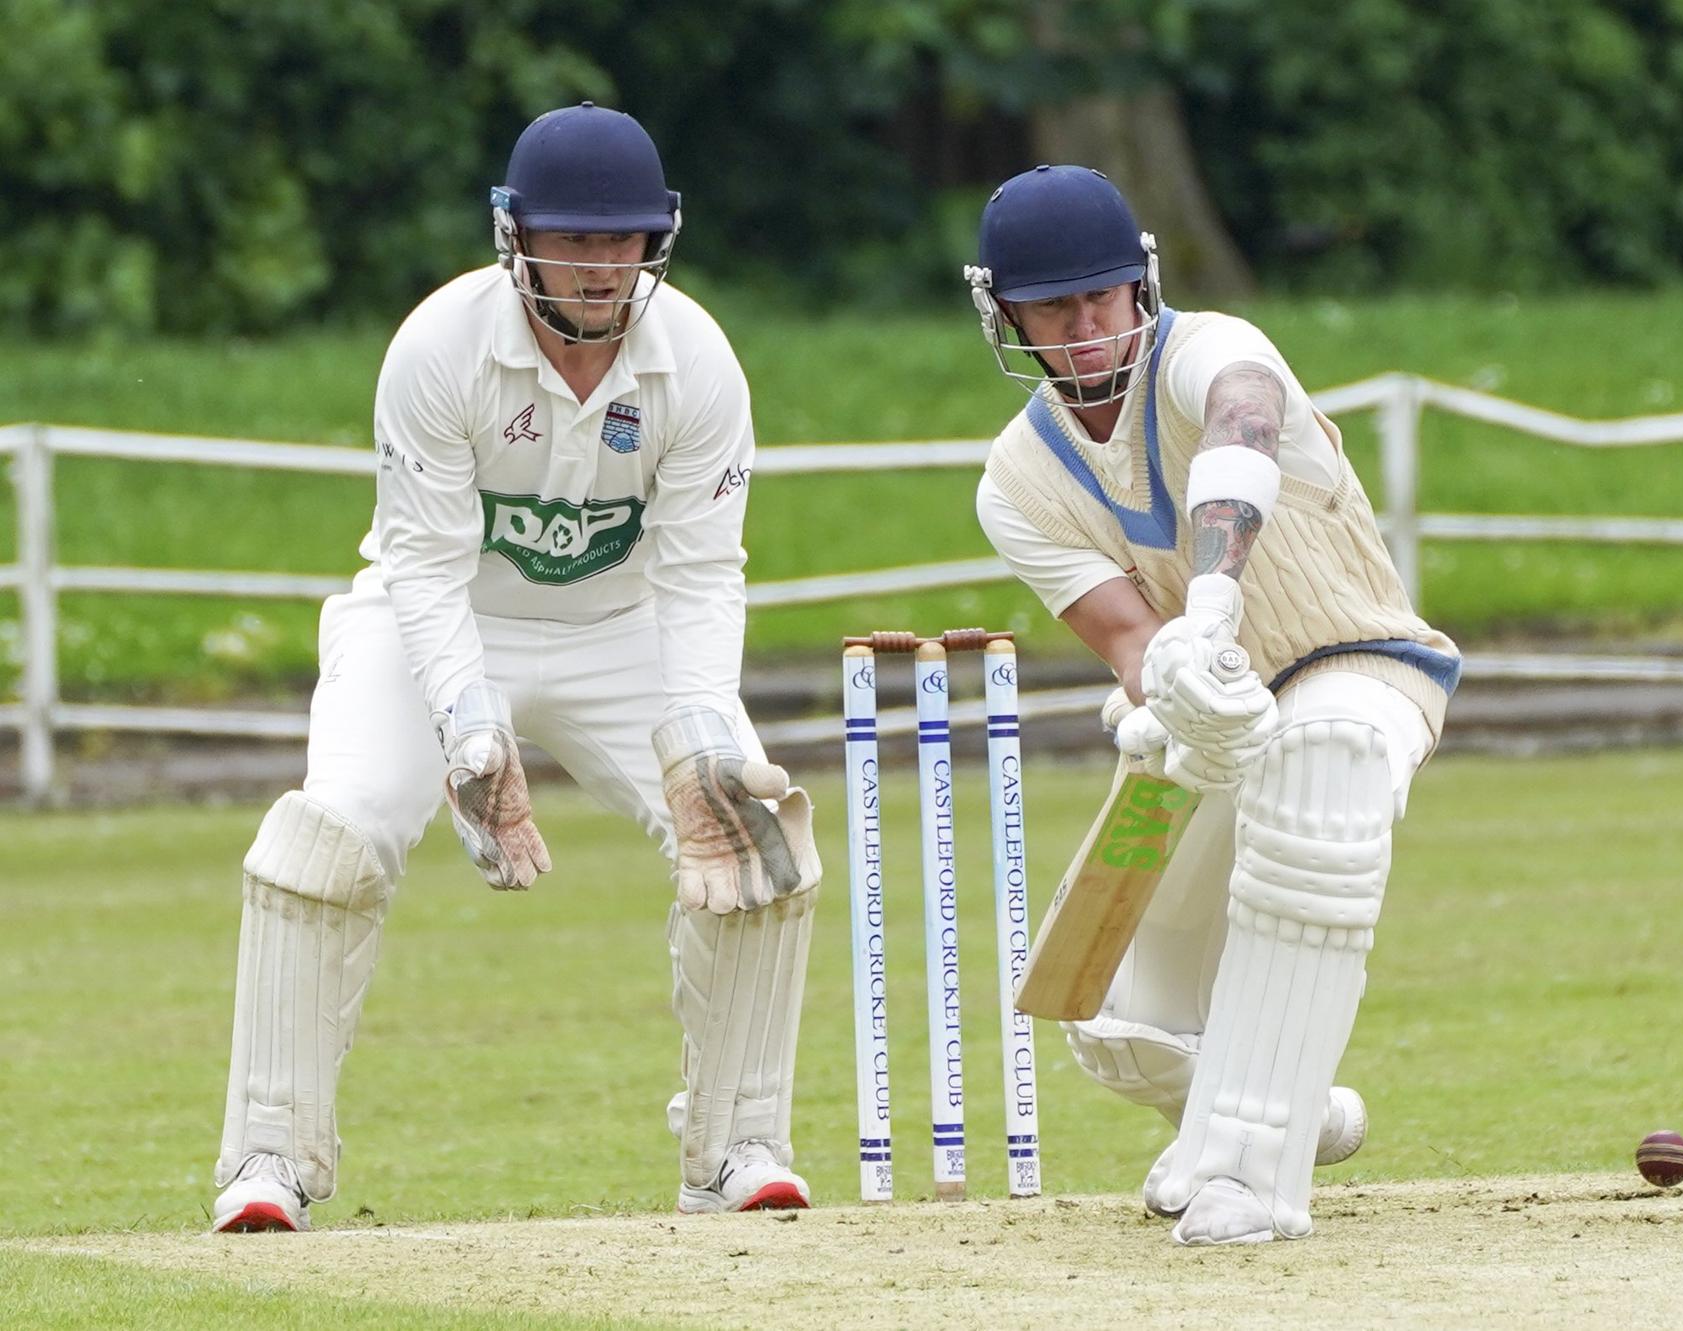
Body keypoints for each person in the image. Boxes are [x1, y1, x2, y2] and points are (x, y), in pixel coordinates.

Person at [210, 103, 820, 1232]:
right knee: (328, 836)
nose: (598, 266)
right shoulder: (439, 348)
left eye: (622, 239)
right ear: (514, 232)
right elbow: (427, 565)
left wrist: (696, 743)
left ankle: (735, 1142)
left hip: (622, 624)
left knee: (758, 832)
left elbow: (700, 572)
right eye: (572, 240)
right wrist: (469, 729)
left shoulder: (697, 361)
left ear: (656, 239)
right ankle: (268, 1154)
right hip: (435, 617)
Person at [964, 165, 1461, 1246]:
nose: (1087, 325)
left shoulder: (1210, 351)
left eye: (1101, 295)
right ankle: (1284, 1107)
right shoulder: (1014, 482)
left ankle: (1248, 1174)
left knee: (1318, 765)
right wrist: (1175, 689)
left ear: (1139, 285)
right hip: (1216, 707)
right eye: (1054, 306)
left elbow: (1240, 424)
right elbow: (1126, 641)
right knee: (1113, 1022)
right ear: (1006, 314)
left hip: (1358, 662)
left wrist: (1215, 598)